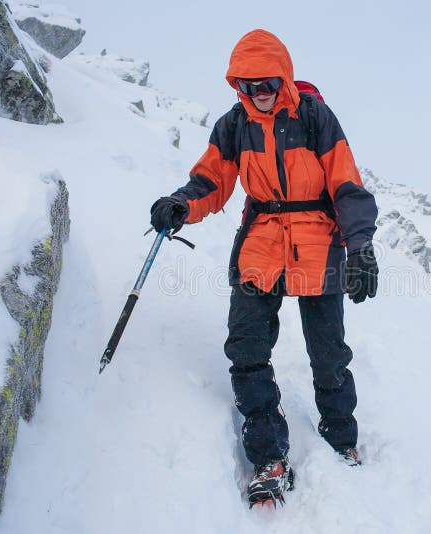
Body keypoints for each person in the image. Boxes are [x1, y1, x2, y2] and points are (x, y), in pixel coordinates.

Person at [149, 29, 378, 507]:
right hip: (260, 244)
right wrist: (180, 205)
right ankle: (268, 455)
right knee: (246, 349)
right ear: (238, 86)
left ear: (284, 78)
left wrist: (360, 245)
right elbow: (210, 180)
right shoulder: (234, 125)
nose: (260, 95)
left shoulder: (314, 116)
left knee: (329, 354)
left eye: (267, 84)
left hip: (319, 241)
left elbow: (346, 182)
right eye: (248, 86)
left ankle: (342, 438)